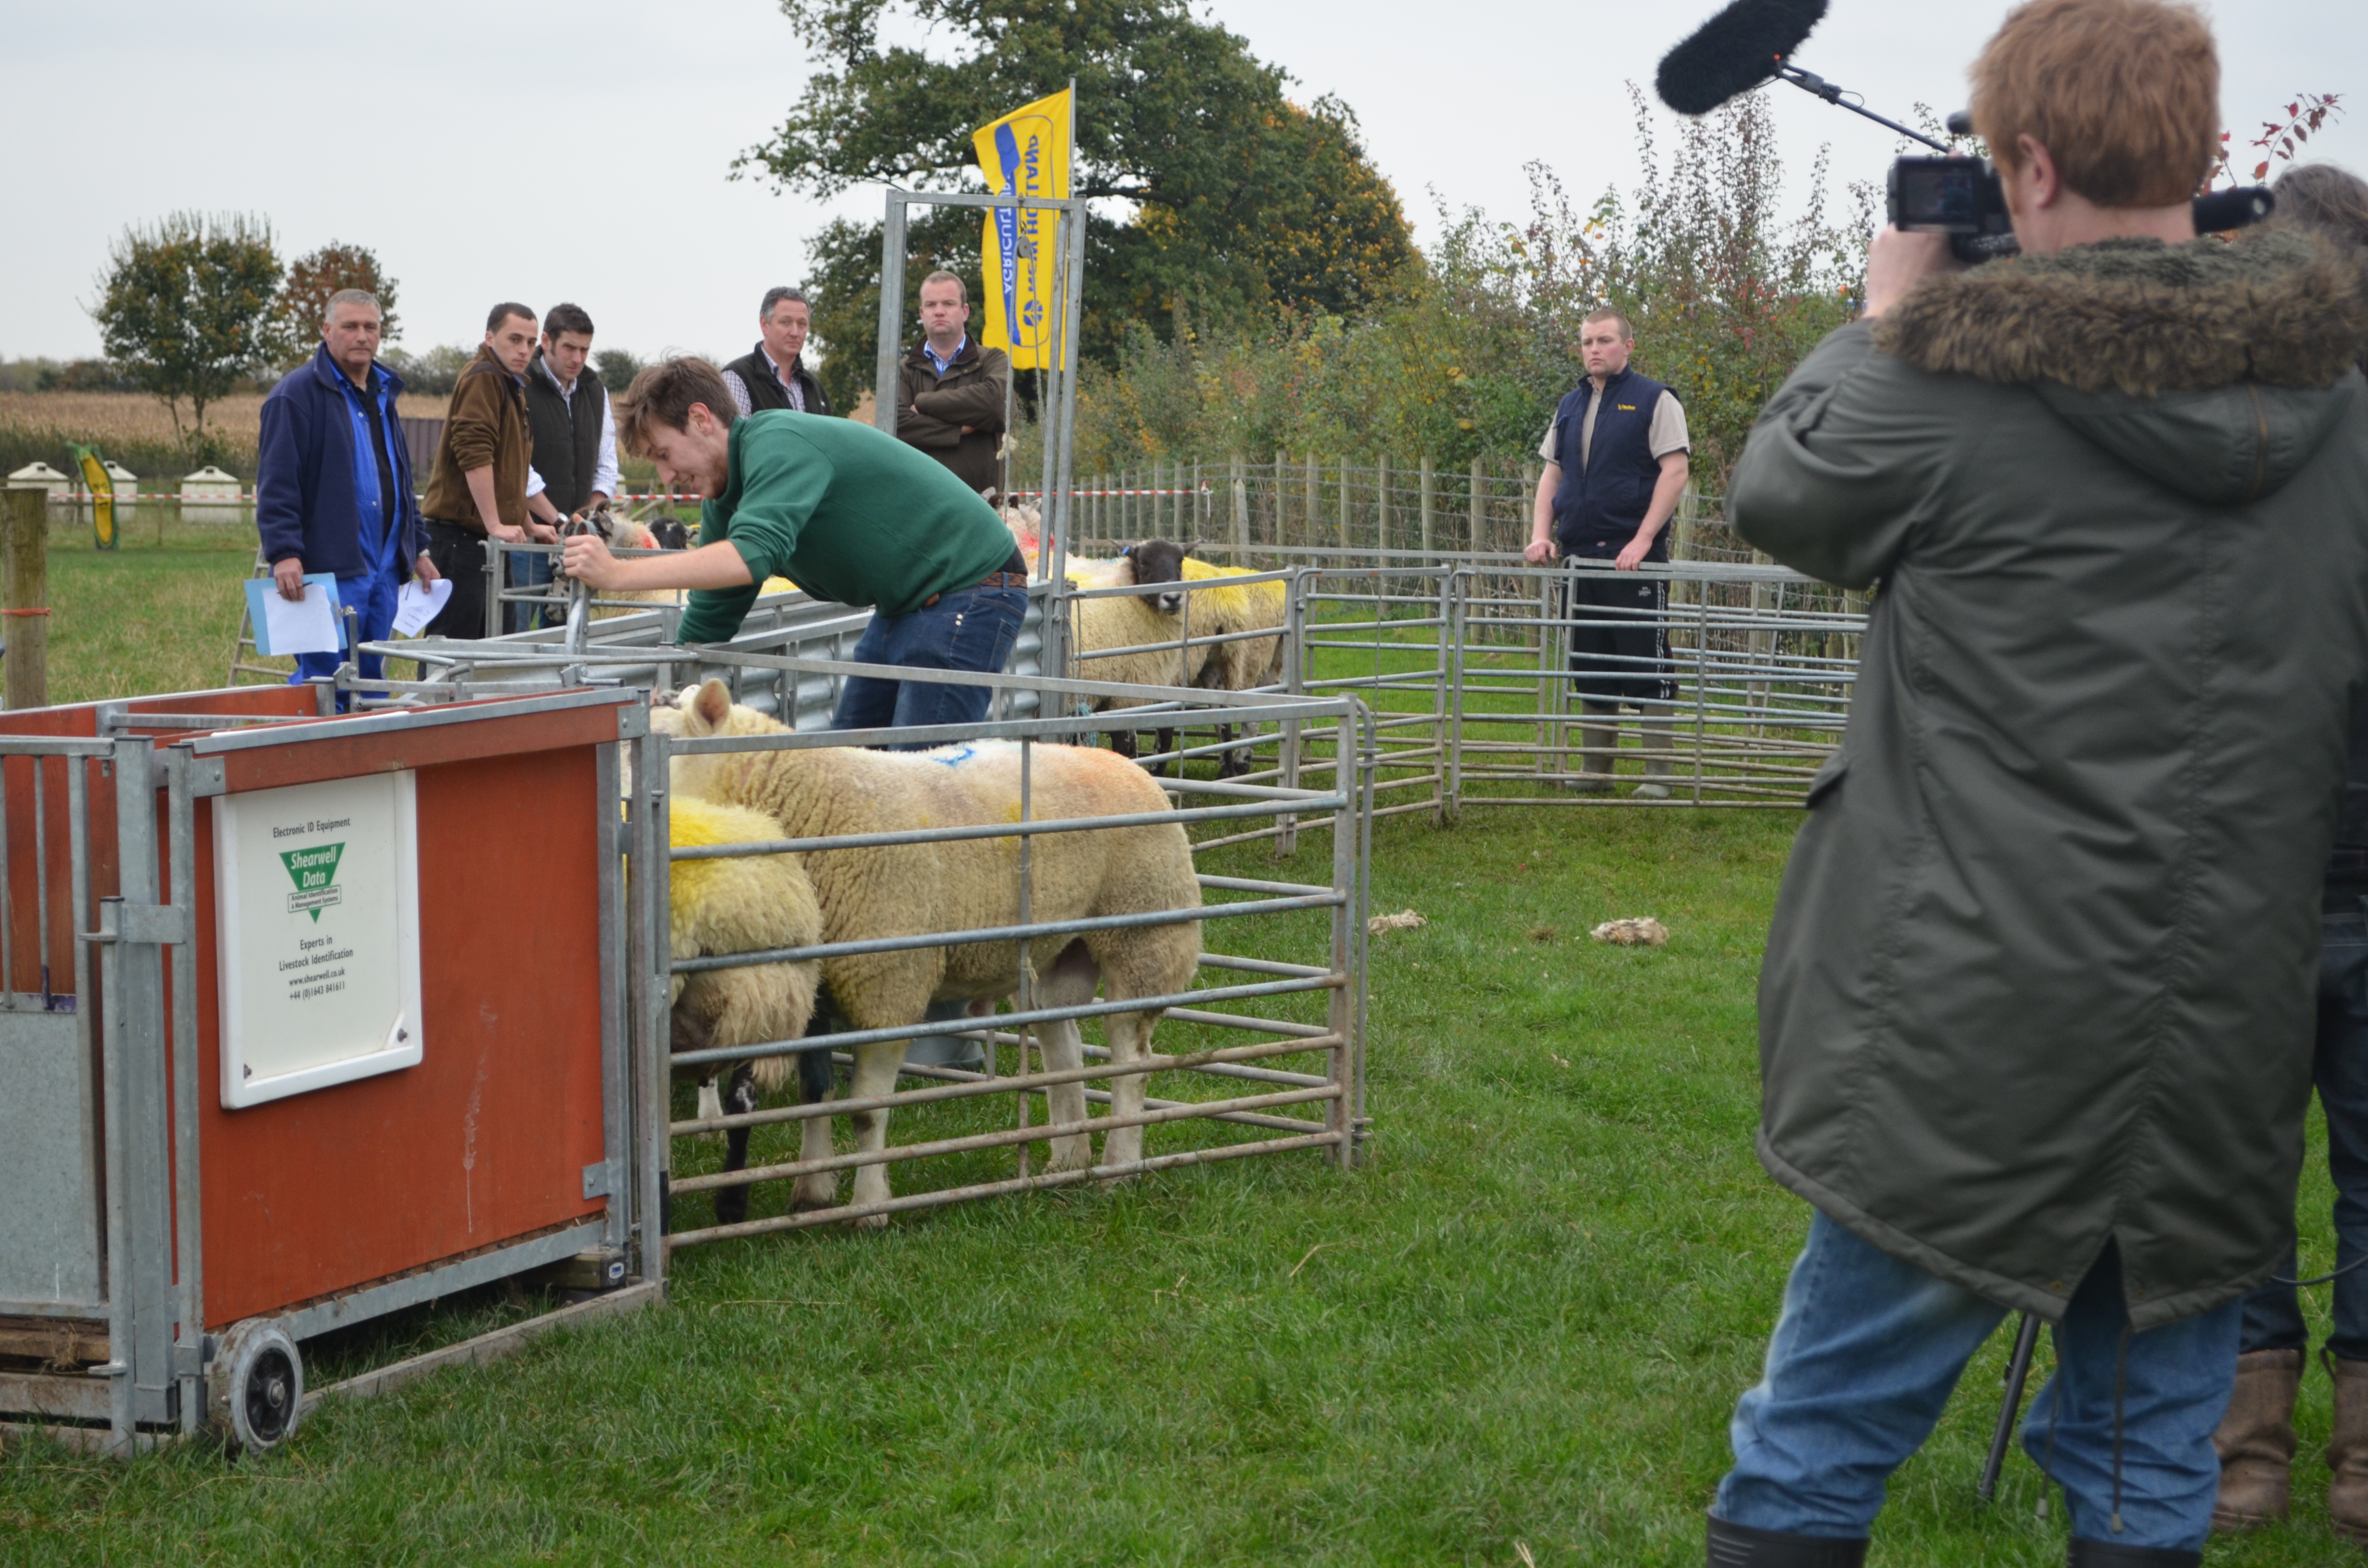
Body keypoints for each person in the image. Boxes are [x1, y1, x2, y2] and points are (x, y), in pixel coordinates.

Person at [1703, 2, 2368, 1564]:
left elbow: (1780, 489)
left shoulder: (1940, 388)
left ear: (2025, 163)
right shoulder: (2337, 411)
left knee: (1814, 1444)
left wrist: (1883, 316)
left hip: (1959, 1043)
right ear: (2202, 154)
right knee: (2146, 1461)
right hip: (2210, 1049)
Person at [563, 355, 1029, 1071]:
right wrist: (665, 691)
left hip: (968, 589)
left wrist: (622, 573)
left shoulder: (780, 443)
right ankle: (860, 1009)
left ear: (701, 420)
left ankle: (941, 1032)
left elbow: (753, 557)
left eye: (664, 455)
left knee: (908, 808)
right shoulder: (731, 489)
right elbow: (713, 615)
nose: (666, 480)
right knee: (843, 785)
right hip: (910, 601)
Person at [2208, 160, 2368, 1544]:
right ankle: (2266, 1443)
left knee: (2266, 1164)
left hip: (2296, 867)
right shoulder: (2237, 432)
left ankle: (2289, 1454)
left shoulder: (2258, 435)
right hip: (2268, 867)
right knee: (2254, 1161)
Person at [1524, 307, 1691, 797]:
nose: (1593, 349)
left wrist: (1641, 540)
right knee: (1589, 658)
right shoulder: (1569, 405)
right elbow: (1552, 475)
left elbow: (1674, 471)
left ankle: (1658, 775)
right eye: (1585, 342)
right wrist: (1541, 533)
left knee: (1645, 658)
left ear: (1627, 346)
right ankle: (1596, 771)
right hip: (1579, 556)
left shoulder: (1654, 400)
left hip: (1632, 557)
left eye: (1603, 340)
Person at [254, 289, 439, 693]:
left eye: (370, 327)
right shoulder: (294, 396)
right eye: (350, 326)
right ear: (326, 330)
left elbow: (401, 483)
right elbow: (277, 483)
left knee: (371, 679)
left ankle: (365, 755)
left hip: (385, 568)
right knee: (323, 682)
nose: (361, 336)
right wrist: (284, 552)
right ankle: (309, 754)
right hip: (326, 569)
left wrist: (419, 549)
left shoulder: (384, 394)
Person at [419, 303, 567, 640]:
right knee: (453, 648)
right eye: (515, 339)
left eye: (531, 343)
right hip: (461, 539)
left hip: (485, 538)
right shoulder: (485, 377)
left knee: (495, 642)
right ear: (490, 337)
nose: (524, 350)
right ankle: (433, 698)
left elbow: (511, 467)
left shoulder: (510, 384)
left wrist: (529, 524)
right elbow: (474, 452)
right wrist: (494, 523)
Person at [514, 302, 621, 632]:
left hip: (576, 540)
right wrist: (558, 521)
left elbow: (606, 461)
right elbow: (517, 466)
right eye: (569, 348)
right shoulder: (518, 384)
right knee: (513, 630)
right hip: (526, 539)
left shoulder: (594, 389)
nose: (578, 359)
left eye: (585, 350)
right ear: (546, 342)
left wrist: (587, 520)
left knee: (569, 634)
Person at [895, 270, 1009, 497]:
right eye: (931, 305)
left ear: (964, 311)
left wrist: (924, 402)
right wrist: (958, 429)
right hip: (920, 504)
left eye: (948, 303)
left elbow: (998, 405)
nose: (939, 311)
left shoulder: (993, 359)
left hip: (982, 507)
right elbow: (896, 425)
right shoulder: (903, 371)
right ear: (922, 313)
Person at [722, 286, 833, 417]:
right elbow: (732, 435)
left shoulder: (815, 387)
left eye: (802, 324)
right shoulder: (738, 378)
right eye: (785, 322)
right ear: (764, 325)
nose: (795, 332)